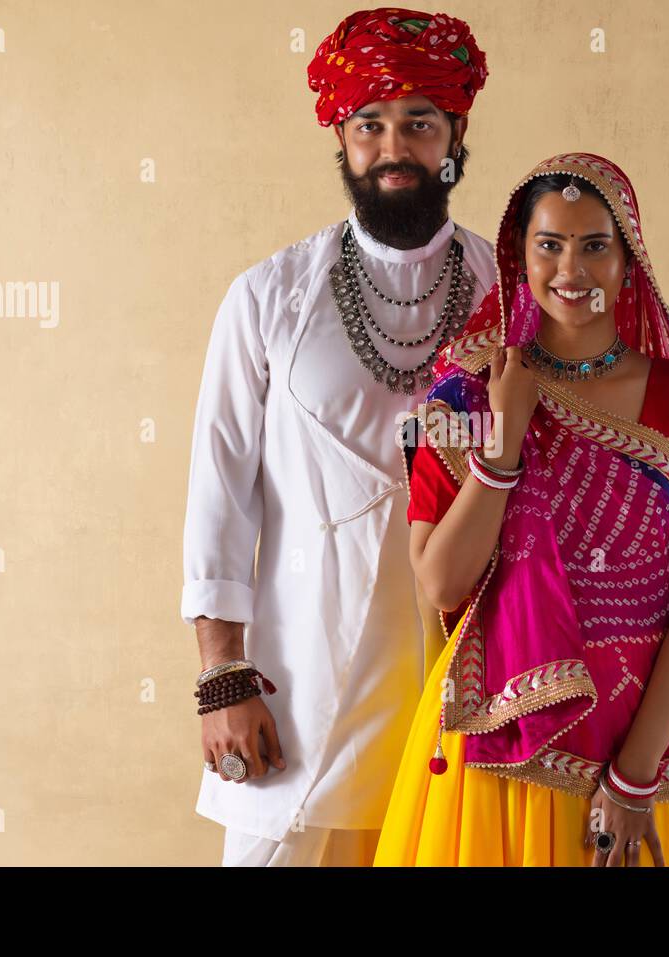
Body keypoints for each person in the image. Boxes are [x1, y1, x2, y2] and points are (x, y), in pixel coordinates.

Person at [374, 152, 669, 866]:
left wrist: (634, 775)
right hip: (505, 741)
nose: (571, 269)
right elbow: (441, 582)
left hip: (645, 750)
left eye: (595, 245)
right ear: (518, 256)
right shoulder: (467, 399)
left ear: (629, 261)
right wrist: (503, 442)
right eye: (549, 245)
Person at [181, 7, 492, 866]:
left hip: (462, 689)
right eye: (370, 125)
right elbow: (219, 497)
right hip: (301, 687)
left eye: (419, 123)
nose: (395, 147)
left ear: (454, 134)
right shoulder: (268, 296)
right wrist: (222, 678)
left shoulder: (509, 290)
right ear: (343, 139)